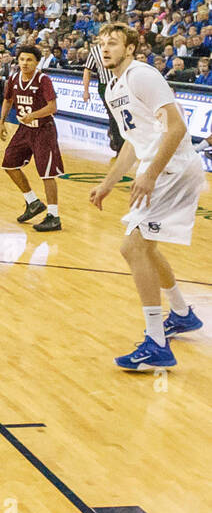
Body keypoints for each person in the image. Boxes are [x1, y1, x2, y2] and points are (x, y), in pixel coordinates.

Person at [89, 24, 207, 371]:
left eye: (113, 42)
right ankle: (182, 314)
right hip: (162, 171)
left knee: (133, 247)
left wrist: (150, 174)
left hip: (175, 171)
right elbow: (133, 140)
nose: (106, 48)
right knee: (148, 247)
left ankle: (157, 343)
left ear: (130, 49)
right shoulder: (113, 87)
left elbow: (177, 127)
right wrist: (109, 182)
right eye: (102, 43)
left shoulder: (142, 75)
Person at [0, 46, 64, 232]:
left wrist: (34, 115)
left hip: (44, 130)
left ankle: (54, 216)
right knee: (9, 163)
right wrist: (1, 122)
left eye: (29, 60)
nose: (25, 63)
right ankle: (33, 201)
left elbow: (52, 107)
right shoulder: (13, 78)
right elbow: (7, 100)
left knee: (47, 173)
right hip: (25, 129)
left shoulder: (43, 80)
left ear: (36, 62)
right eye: (22, 60)